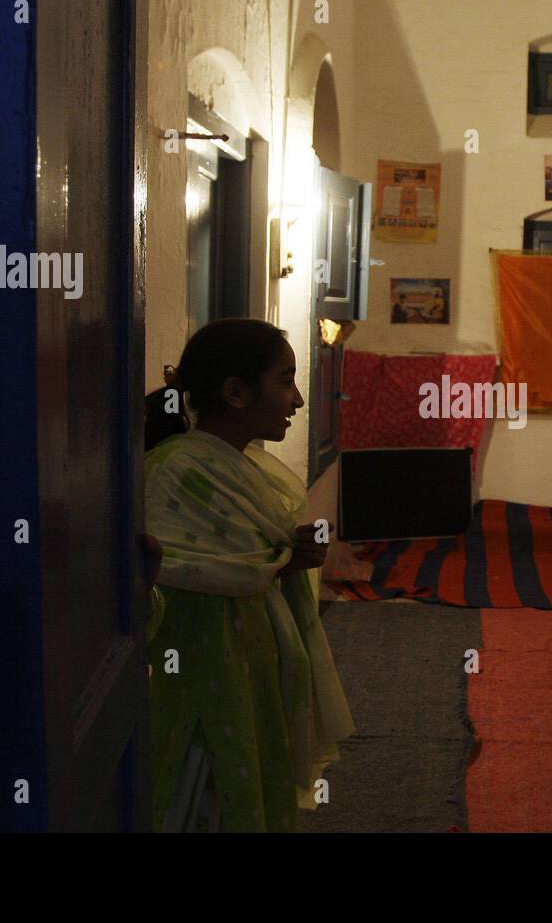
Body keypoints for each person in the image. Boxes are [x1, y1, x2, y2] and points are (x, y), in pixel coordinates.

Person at [143, 318, 355, 832]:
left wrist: (285, 561)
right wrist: (274, 559)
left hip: (249, 673)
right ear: (236, 392)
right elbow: (174, 576)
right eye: (285, 380)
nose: (297, 400)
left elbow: (245, 565)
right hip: (196, 685)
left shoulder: (243, 469)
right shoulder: (174, 473)